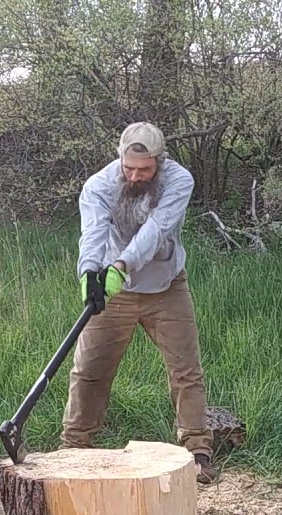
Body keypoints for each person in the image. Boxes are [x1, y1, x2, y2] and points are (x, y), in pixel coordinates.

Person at [60, 121, 217, 483]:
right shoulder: (98, 185)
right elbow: (93, 231)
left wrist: (122, 265)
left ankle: (197, 450)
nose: (135, 176)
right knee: (89, 370)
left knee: (185, 369)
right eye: (129, 168)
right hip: (116, 292)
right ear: (120, 159)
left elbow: (156, 230)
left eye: (144, 170)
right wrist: (89, 273)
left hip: (166, 286)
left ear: (159, 162)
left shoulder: (179, 181)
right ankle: (74, 447)